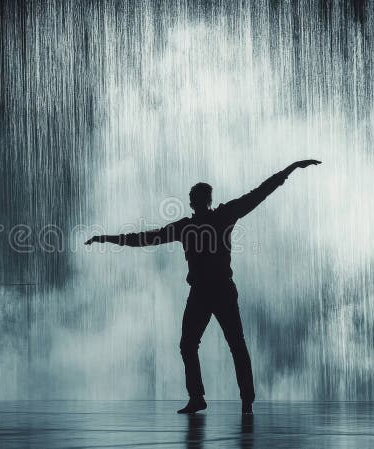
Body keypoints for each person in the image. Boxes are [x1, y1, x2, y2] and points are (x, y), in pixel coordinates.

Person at [85, 159, 321, 415]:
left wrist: (291, 168)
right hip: (210, 292)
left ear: (197, 201)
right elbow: (143, 238)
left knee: (216, 345)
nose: (195, 202)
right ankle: (222, 399)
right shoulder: (212, 219)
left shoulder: (200, 222)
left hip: (213, 291)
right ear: (203, 200)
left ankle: (231, 399)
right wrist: (105, 238)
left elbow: (143, 238)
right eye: (195, 198)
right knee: (214, 345)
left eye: (196, 198)